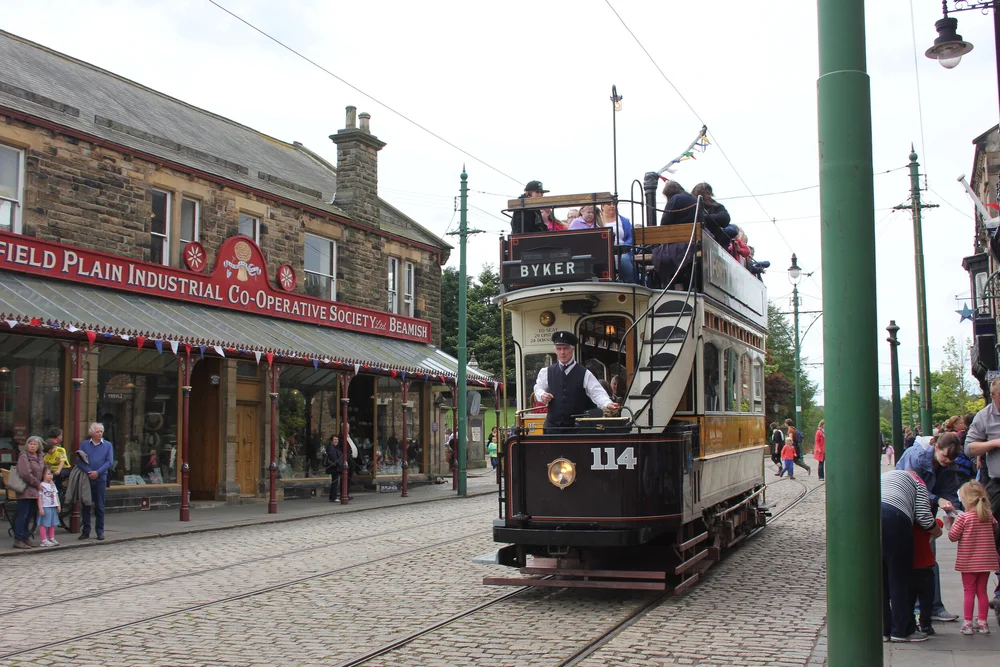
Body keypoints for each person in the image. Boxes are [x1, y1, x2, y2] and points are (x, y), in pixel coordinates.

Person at [898, 431, 964, 623]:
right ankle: (918, 607)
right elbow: (913, 487)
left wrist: (954, 511)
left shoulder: (949, 465)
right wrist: (938, 499)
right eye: (945, 456)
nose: (947, 461)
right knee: (917, 559)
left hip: (926, 514)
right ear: (936, 448)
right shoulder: (915, 456)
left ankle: (931, 606)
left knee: (928, 559)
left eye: (951, 459)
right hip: (907, 511)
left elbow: (950, 491)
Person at [881, 468, 939, 642]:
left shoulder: (885, 476)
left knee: (880, 578)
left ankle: (883, 629)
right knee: (899, 577)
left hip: (869, 515)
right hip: (895, 518)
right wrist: (937, 531)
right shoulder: (918, 482)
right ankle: (902, 629)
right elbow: (924, 517)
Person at [534, 331, 619, 433]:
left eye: (565, 349)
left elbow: (597, 392)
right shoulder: (546, 372)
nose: (562, 353)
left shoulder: (584, 373)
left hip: (575, 428)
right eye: (559, 349)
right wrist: (542, 394)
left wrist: (608, 403)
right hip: (552, 428)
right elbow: (538, 388)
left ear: (572, 349)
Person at [948, 480, 1000, 635]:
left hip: (969, 561)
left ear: (965, 500)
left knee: (969, 591)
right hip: (986, 560)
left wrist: (950, 523)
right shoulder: (988, 515)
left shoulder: (964, 518)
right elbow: (995, 527)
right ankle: (983, 623)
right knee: (982, 591)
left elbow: (953, 536)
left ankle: (968, 624)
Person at [77, 422, 114, 541]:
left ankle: (100, 531)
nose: (99, 434)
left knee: (100, 506)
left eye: (101, 432)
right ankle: (86, 531)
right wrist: (89, 472)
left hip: (101, 478)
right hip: (87, 478)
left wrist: (97, 472)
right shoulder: (84, 445)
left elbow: (109, 462)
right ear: (92, 433)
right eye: (97, 432)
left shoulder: (107, 445)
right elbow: (79, 461)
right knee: (86, 504)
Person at [910, 515, 944, 637]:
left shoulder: (907, 526)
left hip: (910, 566)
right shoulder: (924, 525)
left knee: (910, 599)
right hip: (926, 566)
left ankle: (911, 623)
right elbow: (939, 523)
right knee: (927, 600)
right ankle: (925, 625)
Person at [12, 435, 45, 549]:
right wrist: (37, 483)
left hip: (35, 491)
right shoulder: (23, 456)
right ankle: (18, 538)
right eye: (30, 444)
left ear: (38, 446)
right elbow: (25, 473)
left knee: (29, 515)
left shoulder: (40, 456)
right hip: (26, 489)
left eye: (35, 444)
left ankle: (25, 537)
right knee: (23, 515)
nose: (32, 446)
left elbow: (43, 470)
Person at [600, 202, 636, 283]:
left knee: (624, 259)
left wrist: (625, 246)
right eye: (609, 204)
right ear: (602, 206)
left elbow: (631, 237)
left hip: (622, 250)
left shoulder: (624, 221)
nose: (612, 206)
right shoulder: (598, 221)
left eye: (614, 204)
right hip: (604, 251)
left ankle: (630, 283)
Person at [43, 427, 70, 502]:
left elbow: (62, 461)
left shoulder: (60, 450)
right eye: (61, 435)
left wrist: (58, 470)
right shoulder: (48, 447)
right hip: (52, 469)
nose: (62, 437)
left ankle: (57, 492)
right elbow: (45, 462)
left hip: (63, 468)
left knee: (58, 475)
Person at [37, 466, 60, 547]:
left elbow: (56, 495)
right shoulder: (42, 485)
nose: (50, 476)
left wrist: (58, 505)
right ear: (43, 475)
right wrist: (40, 508)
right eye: (48, 474)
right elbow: (39, 498)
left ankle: (51, 537)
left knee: (52, 523)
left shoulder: (53, 485)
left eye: (51, 474)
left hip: (53, 506)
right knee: (44, 523)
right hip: (45, 506)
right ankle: (43, 540)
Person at [325, 435, 343, 502]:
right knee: (335, 482)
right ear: (331, 440)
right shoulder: (331, 447)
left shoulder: (334, 447)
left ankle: (333, 496)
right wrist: (340, 465)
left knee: (335, 482)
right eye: (335, 439)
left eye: (337, 439)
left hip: (335, 467)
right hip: (334, 467)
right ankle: (333, 497)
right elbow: (334, 458)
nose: (336, 441)